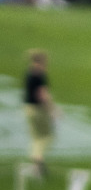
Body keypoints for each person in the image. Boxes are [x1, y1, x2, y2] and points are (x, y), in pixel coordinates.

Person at [22, 49, 55, 180]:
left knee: (35, 136)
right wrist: (52, 109)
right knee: (46, 136)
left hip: (28, 108)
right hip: (38, 109)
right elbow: (42, 95)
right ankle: (38, 162)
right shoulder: (40, 75)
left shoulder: (29, 72)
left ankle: (35, 163)